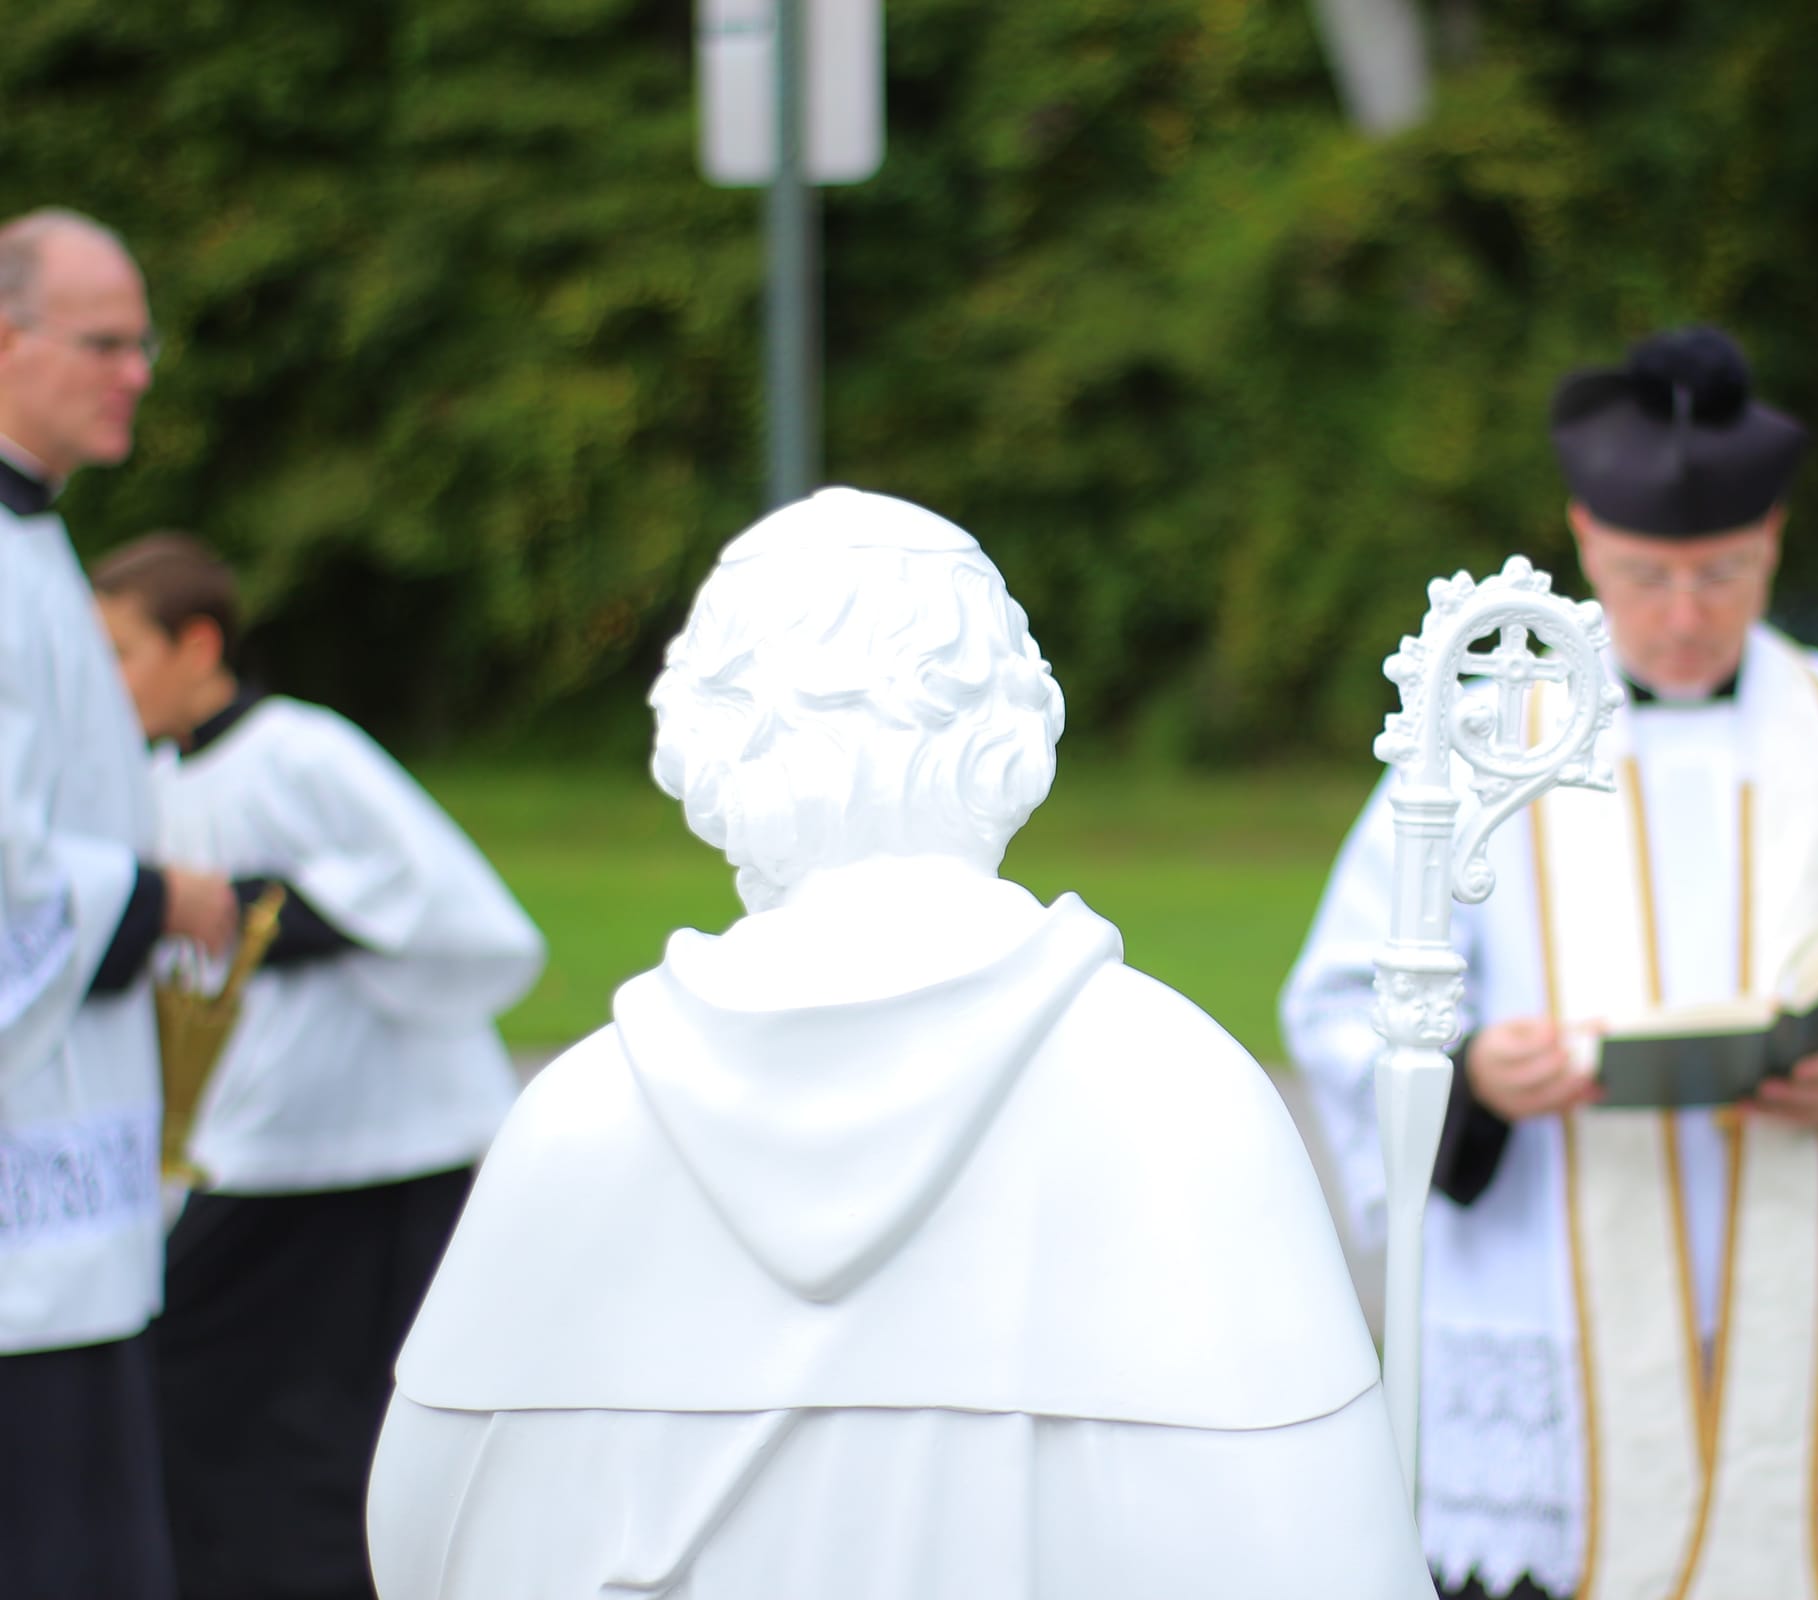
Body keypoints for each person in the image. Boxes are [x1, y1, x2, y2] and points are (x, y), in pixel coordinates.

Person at [364, 488, 1435, 1600]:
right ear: (1017, 728)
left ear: (710, 745)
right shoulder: (1181, 1090)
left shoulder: (581, 1114)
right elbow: (1329, 1551)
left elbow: (426, 1533)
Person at [1282, 327, 1818, 1600]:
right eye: (1646, 575)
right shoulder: (1480, 740)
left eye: (1724, 573)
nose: (1684, 615)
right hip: (1546, 1278)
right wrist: (1472, 1069)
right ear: (1587, 540)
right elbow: (1346, 993)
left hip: (1810, 1288)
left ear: (1776, 542)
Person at [86, 530, 546, 1600]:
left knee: (352, 1411)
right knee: (206, 1396)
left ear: (199, 644)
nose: (107, 684)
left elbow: (452, 905)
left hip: (381, 1150)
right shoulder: (155, 775)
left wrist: (262, 913)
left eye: (122, 653)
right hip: (253, 1150)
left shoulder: (303, 751)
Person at [0, 206, 233, 1600]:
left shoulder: (36, 546)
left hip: (64, 1157)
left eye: (144, 341)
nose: (137, 369)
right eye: (105, 341)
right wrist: (158, 900)